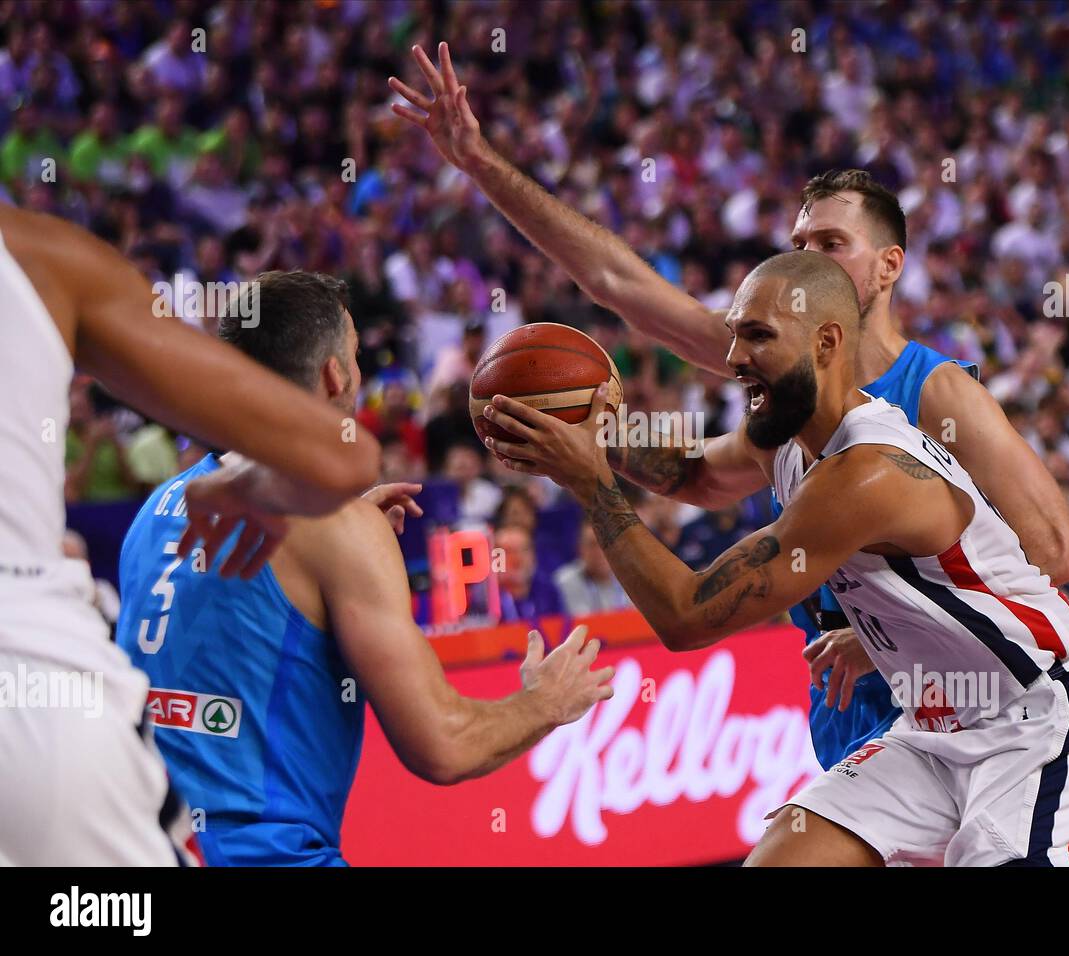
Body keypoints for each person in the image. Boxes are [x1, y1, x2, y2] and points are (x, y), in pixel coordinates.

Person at [389, 43, 1069, 773]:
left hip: (963, 707)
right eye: (799, 241)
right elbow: (619, 290)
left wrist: (903, 630)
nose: (809, 255)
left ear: (889, 267)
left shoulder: (934, 389)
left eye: (833, 243)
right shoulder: (772, 370)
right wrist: (480, 165)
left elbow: (1057, 551)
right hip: (849, 714)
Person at [485, 252, 1069, 866]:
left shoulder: (867, 473)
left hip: (1038, 719)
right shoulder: (787, 439)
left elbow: (687, 615)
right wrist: (588, 432)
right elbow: (692, 469)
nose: (734, 358)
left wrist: (589, 481)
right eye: (734, 335)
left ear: (826, 342)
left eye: (758, 336)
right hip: (935, 730)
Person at [116, 271, 614, 866]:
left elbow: (228, 627)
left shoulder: (156, 510)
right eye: (354, 355)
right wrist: (546, 702)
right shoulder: (333, 523)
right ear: (334, 375)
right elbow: (444, 745)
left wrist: (334, 560)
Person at [0, 204, 380, 866]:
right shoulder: (44, 252)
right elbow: (340, 451)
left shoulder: (156, 508)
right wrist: (256, 479)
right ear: (334, 372)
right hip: (36, 701)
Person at [555, 520, 630, 616]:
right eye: (592, 545)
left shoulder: (632, 577)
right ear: (580, 548)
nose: (600, 552)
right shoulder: (563, 584)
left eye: (606, 543)